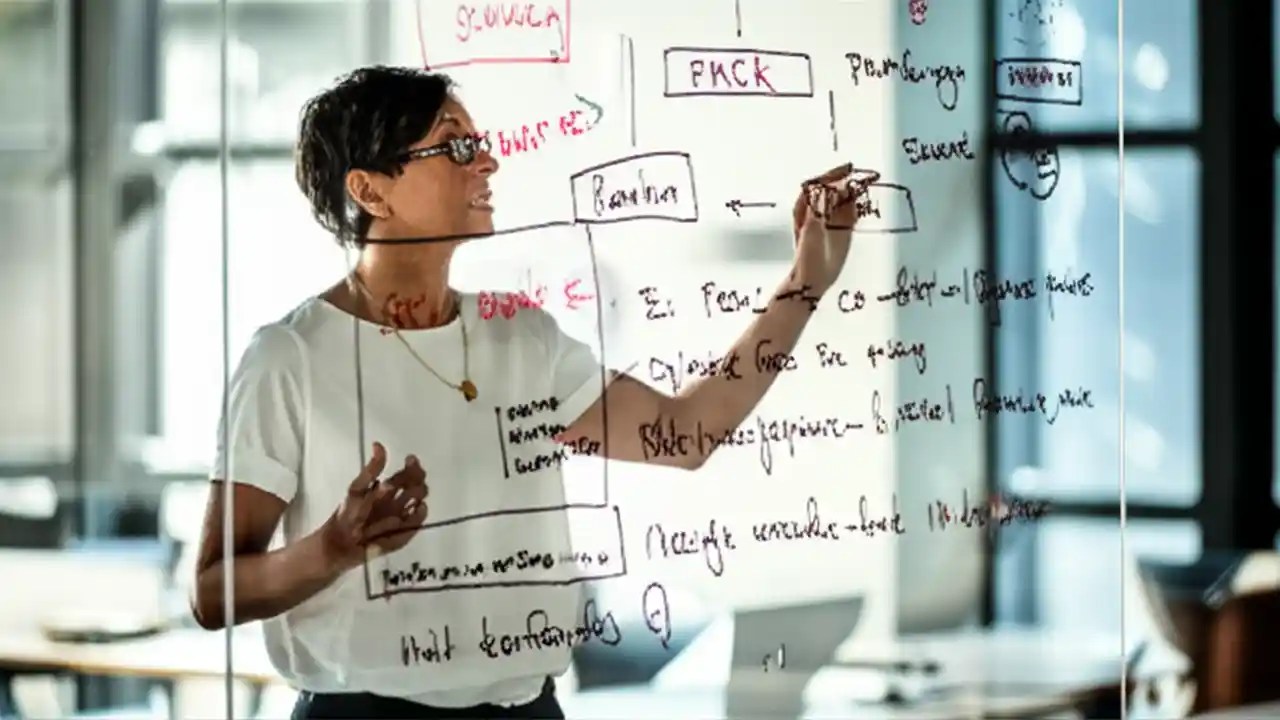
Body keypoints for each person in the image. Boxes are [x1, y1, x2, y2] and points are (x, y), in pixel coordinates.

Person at [190, 65, 867, 720]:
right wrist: (332, 548)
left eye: (481, 146)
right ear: (371, 191)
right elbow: (212, 592)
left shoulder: (522, 338)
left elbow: (687, 435)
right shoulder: (290, 357)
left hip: (526, 710)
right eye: (456, 146)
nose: (487, 164)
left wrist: (808, 278)